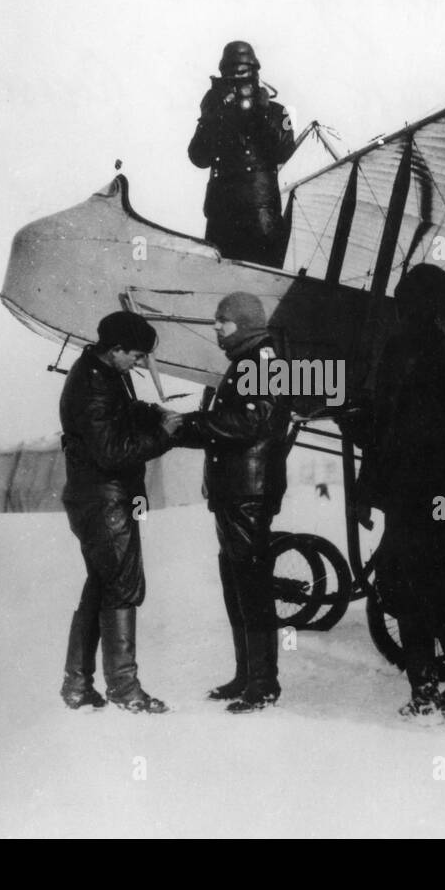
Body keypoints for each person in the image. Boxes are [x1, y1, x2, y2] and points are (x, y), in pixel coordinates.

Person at [354, 265, 445, 721]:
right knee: (440, 585)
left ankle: (425, 692)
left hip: (415, 490)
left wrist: (365, 490)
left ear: (412, 307)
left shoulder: (399, 353)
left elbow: (385, 429)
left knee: (406, 586)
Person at [172, 292, 293, 712]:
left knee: (251, 587)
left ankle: (263, 684)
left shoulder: (263, 362)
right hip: (238, 491)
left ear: (242, 323)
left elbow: (252, 420)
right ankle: (248, 676)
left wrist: (187, 425)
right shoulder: (250, 361)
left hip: (249, 493)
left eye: (222, 321)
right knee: (238, 584)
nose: (216, 328)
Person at [59, 311, 182, 714]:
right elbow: (111, 452)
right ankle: (124, 688)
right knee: (123, 587)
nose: (141, 362)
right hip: (105, 501)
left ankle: (77, 686)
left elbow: (121, 414)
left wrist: (150, 413)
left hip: (99, 498)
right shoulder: (94, 385)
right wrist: (163, 435)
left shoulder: (102, 373)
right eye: (137, 355)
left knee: (101, 586)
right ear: (116, 350)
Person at [187, 40, 296, 268]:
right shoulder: (216, 114)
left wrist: (264, 115)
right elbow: (198, 157)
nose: (239, 87)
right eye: (232, 79)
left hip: (262, 221)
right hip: (223, 219)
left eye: (244, 77)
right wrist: (211, 118)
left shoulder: (276, 111)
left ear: (255, 76)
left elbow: (285, 150)